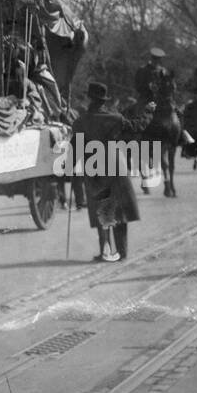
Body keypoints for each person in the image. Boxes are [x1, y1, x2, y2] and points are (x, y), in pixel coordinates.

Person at [75, 82, 140, 262]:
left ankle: (105, 251)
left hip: (94, 168)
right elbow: (131, 135)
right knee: (120, 210)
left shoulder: (81, 121)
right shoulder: (116, 118)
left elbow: (76, 146)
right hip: (116, 165)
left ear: (89, 99)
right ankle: (123, 251)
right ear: (104, 101)